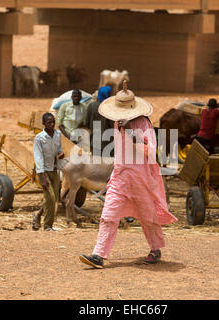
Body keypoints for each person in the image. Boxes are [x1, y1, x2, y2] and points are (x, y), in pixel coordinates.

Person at [79, 81, 177, 269]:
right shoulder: (117, 122)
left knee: (148, 217)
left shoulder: (143, 123)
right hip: (120, 176)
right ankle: (98, 255)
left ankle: (156, 249)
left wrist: (132, 133)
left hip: (141, 178)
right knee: (108, 215)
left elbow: (150, 150)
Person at [32, 113, 64, 231]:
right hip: (44, 171)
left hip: (54, 169)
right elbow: (38, 157)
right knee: (49, 197)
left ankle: (37, 214)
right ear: (43, 124)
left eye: (53, 122)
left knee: (54, 198)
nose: (51, 124)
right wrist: (42, 177)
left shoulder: (57, 134)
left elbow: (59, 149)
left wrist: (60, 154)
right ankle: (48, 226)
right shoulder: (39, 138)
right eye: (49, 122)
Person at [84, 85, 114, 156]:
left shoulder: (91, 105)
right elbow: (113, 125)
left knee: (96, 164)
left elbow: (86, 123)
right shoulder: (110, 108)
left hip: (94, 142)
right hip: (108, 144)